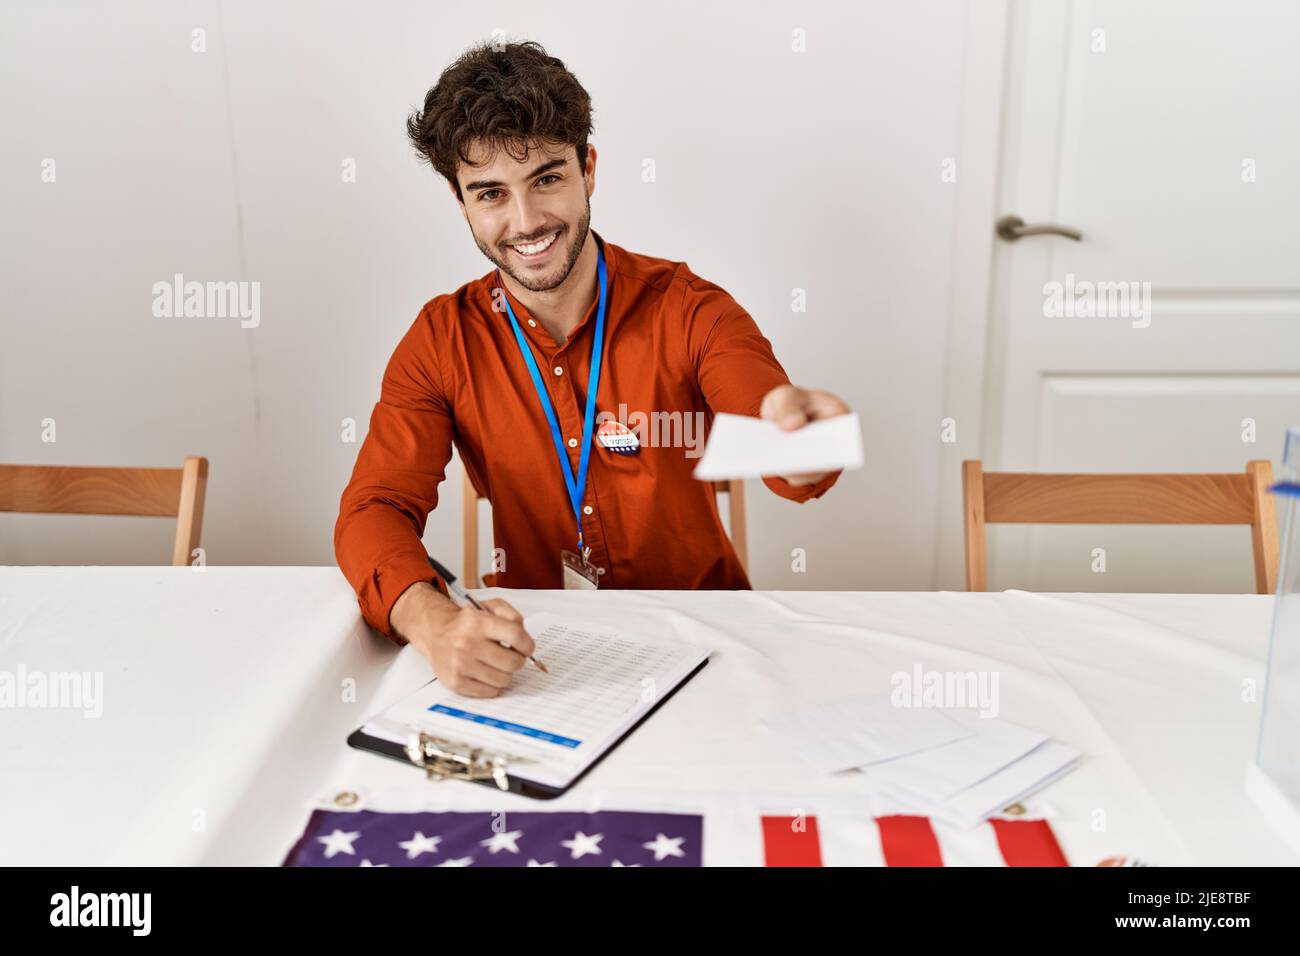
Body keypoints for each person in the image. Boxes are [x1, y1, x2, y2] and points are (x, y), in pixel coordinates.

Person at [335, 39, 851, 696]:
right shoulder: (439, 339)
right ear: (460, 200)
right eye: (491, 193)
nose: (526, 223)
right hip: (543, 653)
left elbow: (783, 441)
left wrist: (798, 441)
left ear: (589, 168)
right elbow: (374, 509)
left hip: (709, 643)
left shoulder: (691, 309)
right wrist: (433, 624)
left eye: (547, 178)